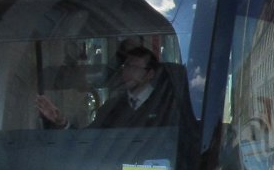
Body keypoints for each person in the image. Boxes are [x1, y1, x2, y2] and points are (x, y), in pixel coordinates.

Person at [37, 41, 177, 130]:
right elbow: (87, 140)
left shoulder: (165, 104)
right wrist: (62, 122)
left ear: (149, 74)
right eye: (126, 66)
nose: (127, 72)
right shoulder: (113, 105)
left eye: (134, 68)